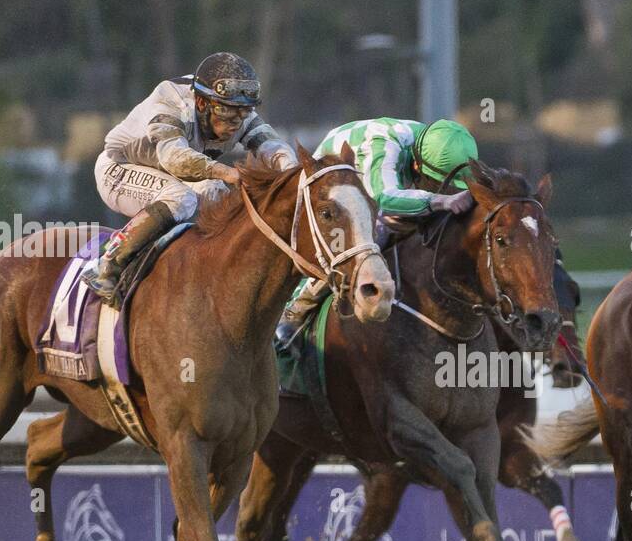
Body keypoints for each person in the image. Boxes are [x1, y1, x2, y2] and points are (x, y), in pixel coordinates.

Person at [85, 52, 294, 307]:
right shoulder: (171, 101)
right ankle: (107, 265)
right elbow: (173, 158)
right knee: (180, 198)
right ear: (203, 103)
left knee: (220, 194)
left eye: (244, 112)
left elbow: (273, 147)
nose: (236, 122)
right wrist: (229, 173)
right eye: (228, 113)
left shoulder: (235, 109)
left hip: (166, 174)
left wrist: (294, 175)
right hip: (119, 169)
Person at [274, 117, 479, 347]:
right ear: (417, 166)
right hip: (340, 179)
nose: (444, 188)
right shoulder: (383, 146)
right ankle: (297, 307)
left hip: (378, 178)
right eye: (437, 182)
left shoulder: (440, 143)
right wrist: (440, 200)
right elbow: (384, 198)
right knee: (373, 231)